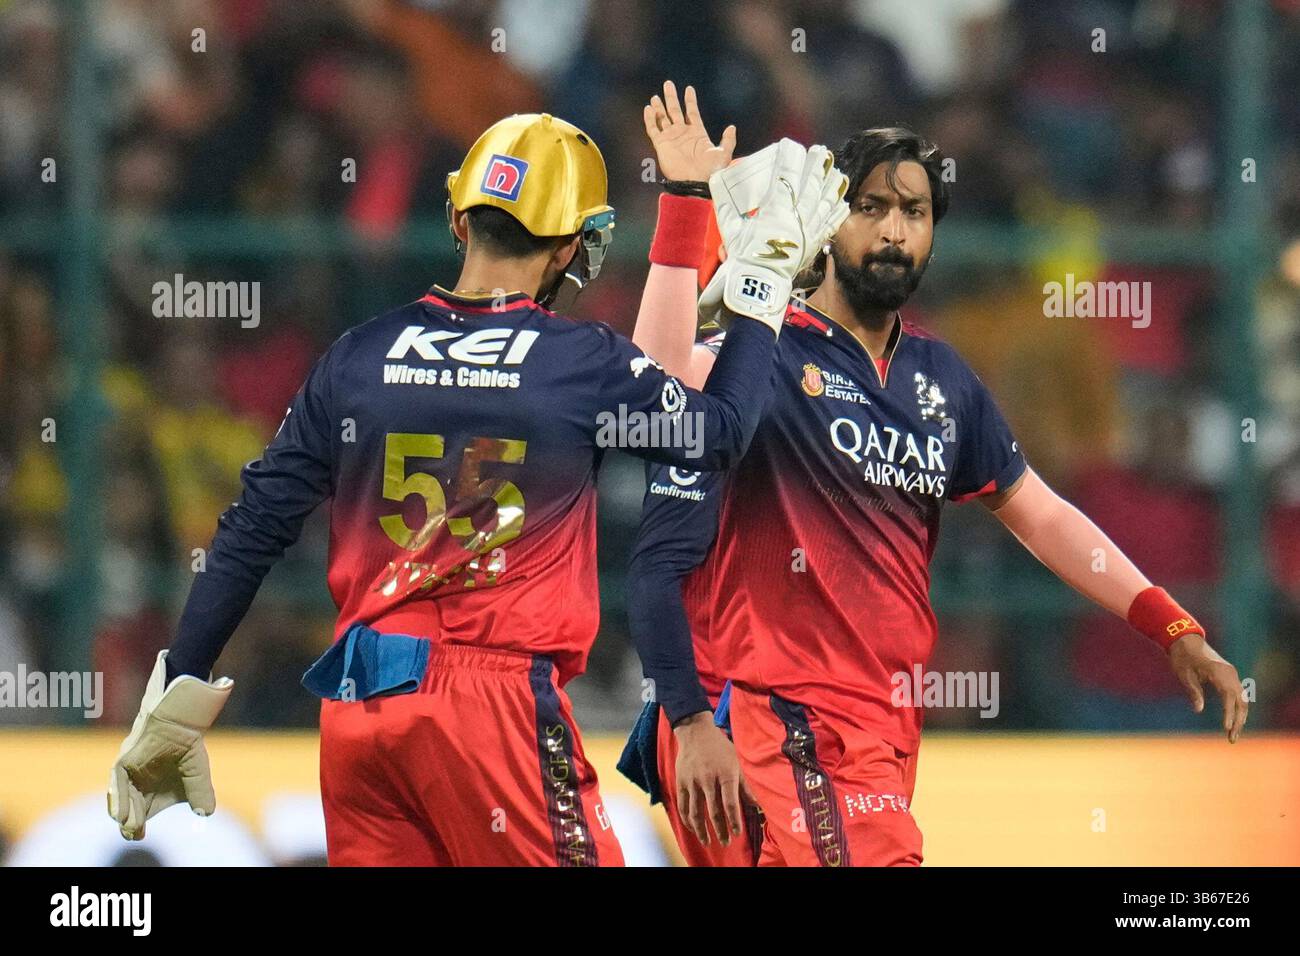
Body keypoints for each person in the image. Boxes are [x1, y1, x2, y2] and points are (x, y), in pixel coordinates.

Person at [107, 110, 846, 866]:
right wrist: (764, 276)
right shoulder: (577, 361)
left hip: (360, 704)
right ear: (569, 246)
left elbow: (251, 527)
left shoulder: (357, 356)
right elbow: (717, 432)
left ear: (459, 218)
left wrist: (180, 689)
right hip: (489, 707)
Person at [625, 83, 1248, 866]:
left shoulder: (941, 379)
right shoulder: (770, 347)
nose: (893, 230)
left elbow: (1043, 516)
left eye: (913, 213)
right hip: (779, 717)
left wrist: (1169, 624)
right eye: (872, 207)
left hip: (881, 730)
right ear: (825, 219)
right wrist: (685, 198)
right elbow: (657, 383)